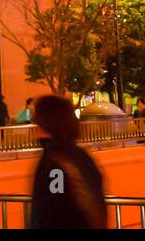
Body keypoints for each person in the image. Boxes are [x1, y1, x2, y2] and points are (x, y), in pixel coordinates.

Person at [28, 95, 107, 229]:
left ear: (48, 121)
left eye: (37, 119)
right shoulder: (81, 156)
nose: (35, 125)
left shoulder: (54, 164)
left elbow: (53, 208)